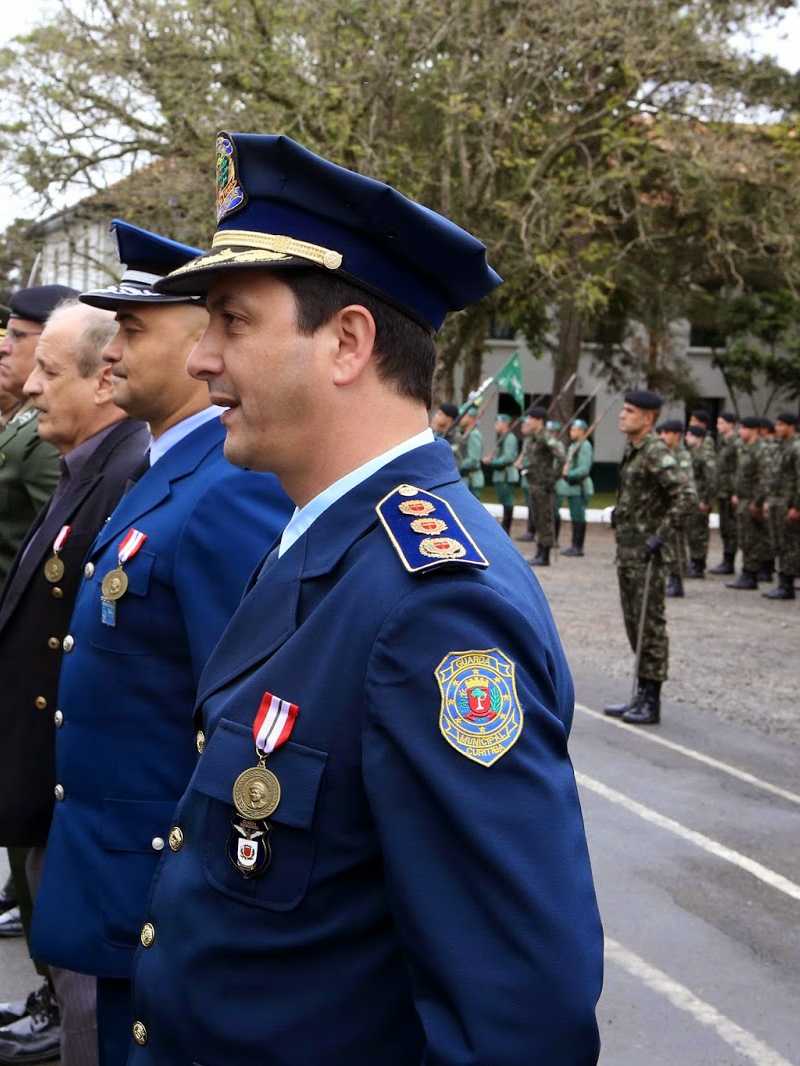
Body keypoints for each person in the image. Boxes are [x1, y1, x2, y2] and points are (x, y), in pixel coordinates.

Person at [122, 131, 602, 1064]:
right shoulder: (326, 541)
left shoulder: (436, 607)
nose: (201, 360)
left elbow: (516, 1013)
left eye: (233, 321)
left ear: (347, 342)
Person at [31, 220, 291, 1066]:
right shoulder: (169, 470)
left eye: (134, 331)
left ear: (196, 343)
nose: (111, 353)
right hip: (118, 884)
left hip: (159, 898)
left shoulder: (227, 488)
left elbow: (237, 724)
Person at [0, 300, 147, 1065]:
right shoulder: (88, 466)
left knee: (90, 1004)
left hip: (74, 785)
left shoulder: (121, 474)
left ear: (103, 382)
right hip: (50, 779)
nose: (29, 385)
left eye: (47, 368)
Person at [0, 286, 76, 940]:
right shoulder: (20, 430)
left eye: (14, 338)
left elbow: (49, 544)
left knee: (27, 775)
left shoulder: (39, 439)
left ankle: (37, 921)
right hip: (6, 636)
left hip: (31, 646)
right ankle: (19, 889)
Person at [604, 392, 696, 724]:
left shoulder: (656, 451)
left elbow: (686, 495)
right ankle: (640, 693)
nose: (622, 416)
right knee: (635, 626)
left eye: (630, 411)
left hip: (648, 554)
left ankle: (651, 700)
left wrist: (661, 534)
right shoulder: (635, 449)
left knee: (650, 626)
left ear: (648, 418)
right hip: (628, 552)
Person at [762, 412, 800, 601]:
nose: (777, 428)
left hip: (788, 503)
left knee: (789, 544)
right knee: (779, 543)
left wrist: (797, 507)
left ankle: (787, 585)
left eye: (781, 425)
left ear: (791, 426)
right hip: (776, 502)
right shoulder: (781, 447)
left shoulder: (798, 448)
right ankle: (781, 582)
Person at [726, 415, 771, 590]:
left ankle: (751, 573)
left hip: (753, 501)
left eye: (744, 428)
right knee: (745, 537)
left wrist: (757, 501)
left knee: (753, 538)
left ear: (754, 430)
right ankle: (747, 571)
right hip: (743, 499)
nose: (740, 432)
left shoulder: (761, 450)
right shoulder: (745, 448)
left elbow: (764, 478)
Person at [518, 405, 564, 565]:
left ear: (540, 421)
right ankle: (538, 551)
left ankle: (545, 555)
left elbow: (561, 456)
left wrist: (553, 477)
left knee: (545, 520)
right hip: (534, 484)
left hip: (544, 485)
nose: (528, 421)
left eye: (531, 418)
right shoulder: (533, 438)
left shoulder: (545, 437)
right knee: (537, 518)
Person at [655, 419, 692, 598]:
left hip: (677, 509)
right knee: (668, 546)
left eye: (666, 433)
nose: (662, 437)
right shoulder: (665, 453)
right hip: (665, 509)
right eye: (661, 433)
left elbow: (686, 484)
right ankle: (671, 578)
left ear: (677, 435)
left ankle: (677, 581)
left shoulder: (681, 455)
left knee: (677, 546)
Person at [558, 417, 594, 556]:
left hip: (580, 487)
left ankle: (578, 547)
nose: (571, 432)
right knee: (574, 516)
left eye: (574, 429)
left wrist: (569, 474)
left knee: (579, 516)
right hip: (572, 487)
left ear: (582, 431)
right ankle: (574, 545)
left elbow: (584, 468)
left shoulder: (584, 445)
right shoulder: (574, 445)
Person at [684, 422, 715, 578]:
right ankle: (694, 561)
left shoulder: (705, 455)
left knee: (699, 533)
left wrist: (706, 500)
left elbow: (711, 479)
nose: (687, 438)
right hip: (692, 499)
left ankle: (699, 563)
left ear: (699, 438)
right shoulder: (692, 453)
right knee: (692, 532)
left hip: (700, 499)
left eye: (690, 436)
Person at [711, 411, 741, 574]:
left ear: (730, 424)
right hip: (722, 490)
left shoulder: (736, 443)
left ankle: (730, 561)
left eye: (721, 423)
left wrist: (737, 491)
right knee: (725, 527)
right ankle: (725, 559)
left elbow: (739, 469)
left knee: (731, 527)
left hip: (731, 490)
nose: (718, 426)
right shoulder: (723, 443)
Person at [487, 411, 521, 532]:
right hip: (501, 474)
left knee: (507, 500)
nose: (495, 424)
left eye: (498, 422)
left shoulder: (510, 438)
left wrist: (494, 462)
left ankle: (506, 527)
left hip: (507, 474)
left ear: (505, 423)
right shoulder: (501, 438)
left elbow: (509, 457)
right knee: (503, 499)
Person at [456, 408, 486, 500]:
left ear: (471, 418)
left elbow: (473, 460)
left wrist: (456, 465)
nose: (459, 418)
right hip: (465, 478)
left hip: (471, 479)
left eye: (463, 416)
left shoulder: (474, 435)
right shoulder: (465, 433)